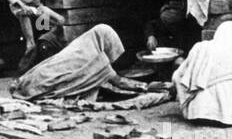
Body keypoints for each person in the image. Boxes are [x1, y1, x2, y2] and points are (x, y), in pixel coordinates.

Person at [11, 24, 147, 102]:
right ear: (104, 42)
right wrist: (144, 86)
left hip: (32, 79)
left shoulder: (80, 45)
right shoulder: (95, 60)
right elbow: (118, 81)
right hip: (42, 85)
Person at [171, 20, 232, 126]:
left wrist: (184, 99)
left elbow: (177, 76)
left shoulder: (199, 47)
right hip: (226, 119)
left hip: (195, 116)